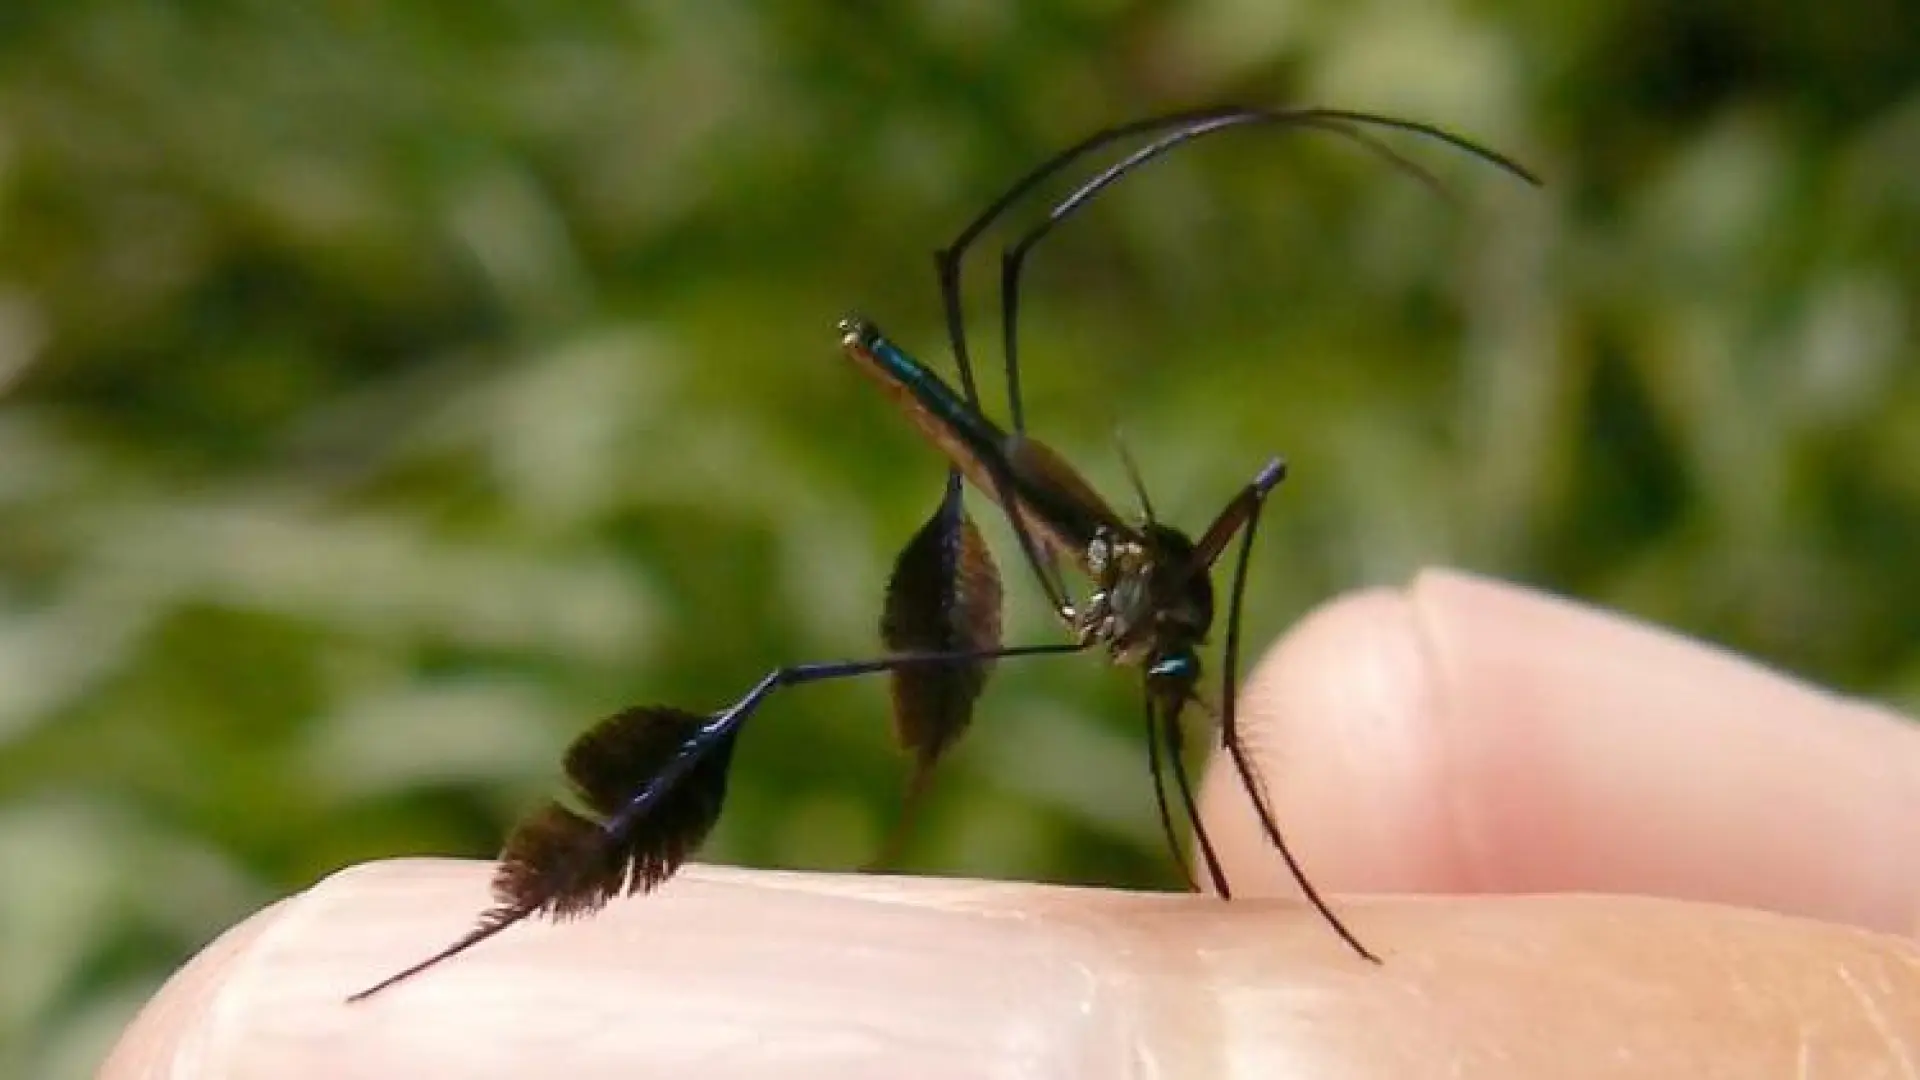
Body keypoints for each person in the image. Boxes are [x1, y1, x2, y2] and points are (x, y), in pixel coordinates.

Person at [100, 570, 1920, 1076]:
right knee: (791, 678)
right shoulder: (1071, 573)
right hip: (1090, 586)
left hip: (1146, 614)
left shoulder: (1177, 630)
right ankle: (497, 927)